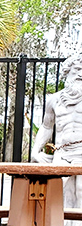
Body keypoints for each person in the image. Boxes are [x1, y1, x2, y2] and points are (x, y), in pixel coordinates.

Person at [31, 53, 82, 209]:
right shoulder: (54, 99)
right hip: (62, 153)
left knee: (81, 191)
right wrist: (35, 150)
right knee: (60, 192)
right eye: (78, 69)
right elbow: (47, 127)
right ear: (67, 71)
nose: (81, 74)